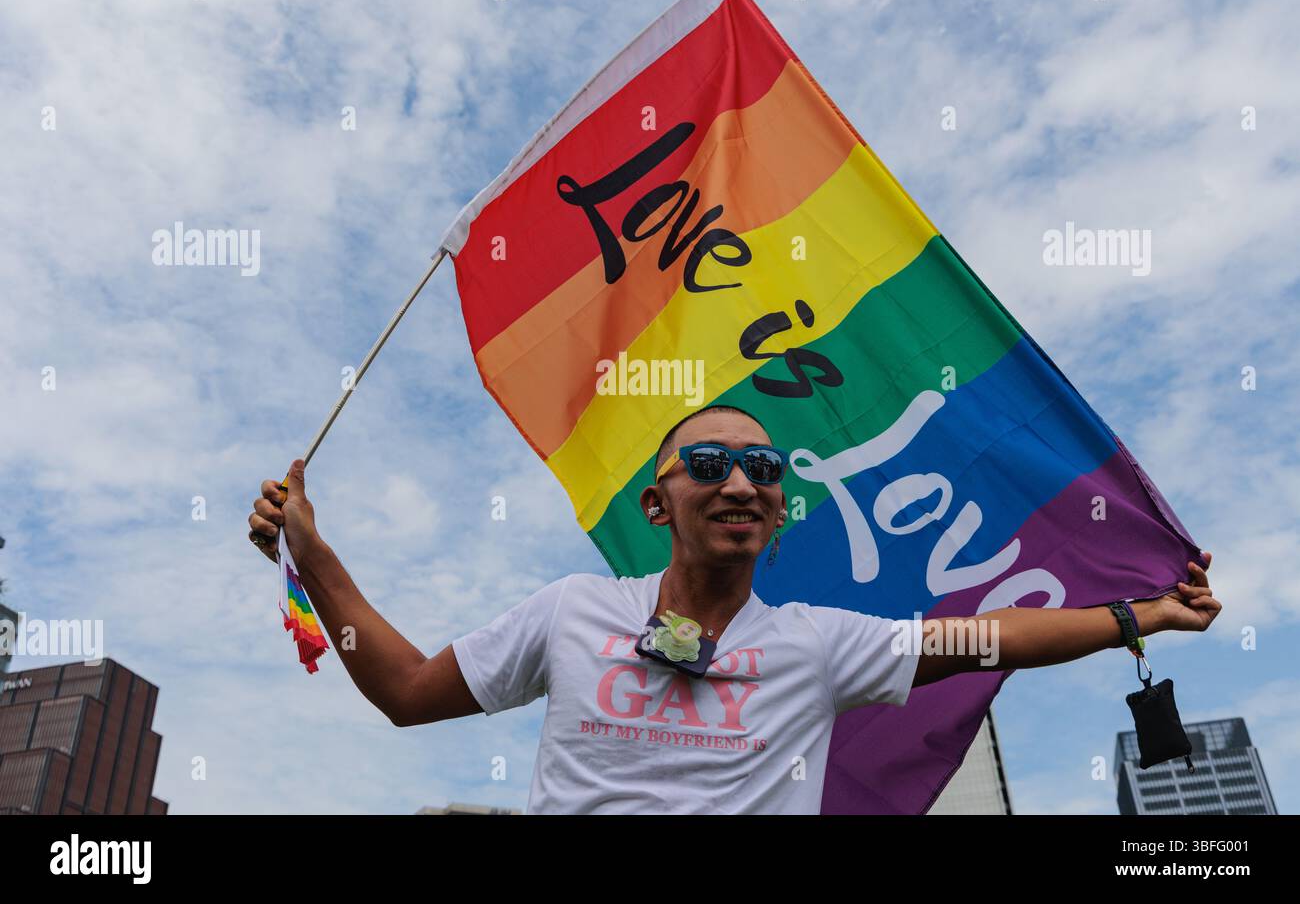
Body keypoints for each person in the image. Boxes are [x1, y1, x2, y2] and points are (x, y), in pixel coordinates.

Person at [247, 404, 1218, 813]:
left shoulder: (818, 644)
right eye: (707, 465)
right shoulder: (572, 609)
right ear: (656, 502)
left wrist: (1140, 614)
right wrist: (313, 551)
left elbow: (981, 638)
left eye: (764, 468)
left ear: (781, 510)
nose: (742, 482)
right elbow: (410, 690)